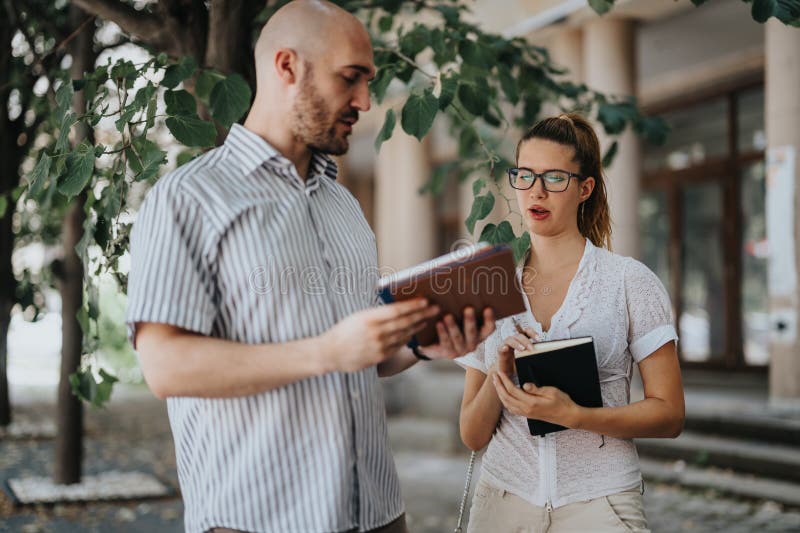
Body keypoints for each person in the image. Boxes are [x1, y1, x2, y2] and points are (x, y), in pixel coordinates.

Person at [125, 2, 495, 532]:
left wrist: (415, 345)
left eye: (369, 81)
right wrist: (327, 352)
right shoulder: (186, 199)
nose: (366, 101)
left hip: (379, 514)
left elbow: (361, 355)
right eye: (351, 78)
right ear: (287, 67)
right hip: (257, 520)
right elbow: (165, 367)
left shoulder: (342, 203)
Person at [457, 113, 685, 533]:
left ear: (585, 188)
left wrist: (575, 415)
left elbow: (670, 414)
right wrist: (499, 372)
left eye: (554, 178)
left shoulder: (629, 281)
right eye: (525, 176)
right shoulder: (489, 284)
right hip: (503, 502)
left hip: (601, 504)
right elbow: (472, 435)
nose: (536, 192)